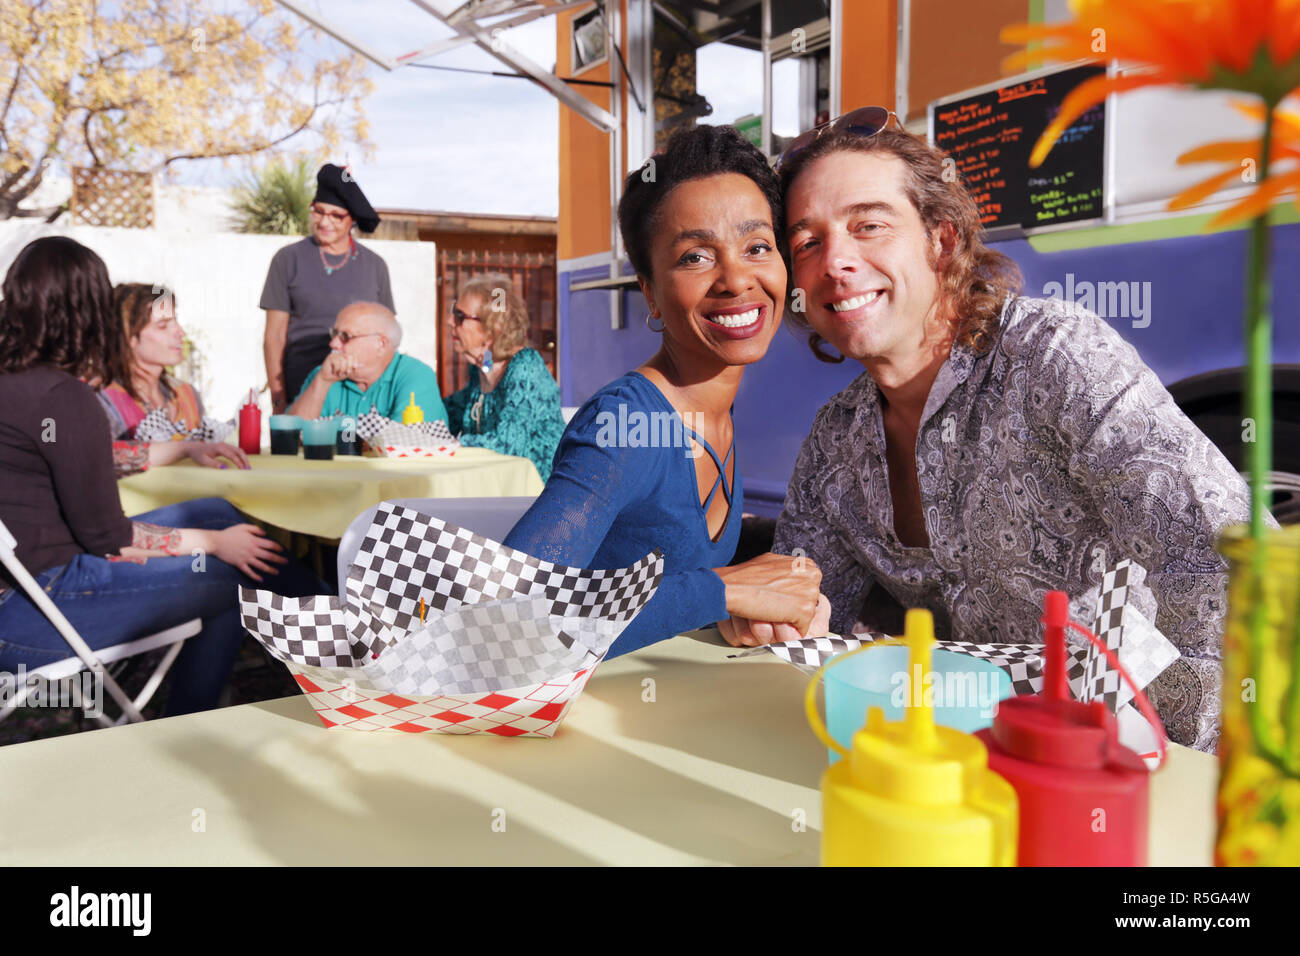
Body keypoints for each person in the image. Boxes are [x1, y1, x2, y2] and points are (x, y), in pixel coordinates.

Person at [748, 113, 1256, 752]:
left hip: (1119, 752)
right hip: (961, 759)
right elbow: (805, 605)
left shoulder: (1054, 356)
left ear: (941, 240)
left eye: (869, 226)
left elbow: (1225, 557)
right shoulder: (836, 438)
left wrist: (1187, 761)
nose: (837, 262)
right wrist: (777, 617)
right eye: (807, 243)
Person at [503, 124, 829, 659]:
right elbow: (504, 621)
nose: (736, 279)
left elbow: (670, 587)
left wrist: (747, 604)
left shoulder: (713, 409)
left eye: (757, 246)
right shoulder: (624, 426)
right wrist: (723, 591)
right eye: (695, 257)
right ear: (651, 293)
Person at [0, 237, 325, 718]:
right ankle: (188, 724)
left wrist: (187, 447)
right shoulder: (65, 399)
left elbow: (94, 456)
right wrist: (214, 546)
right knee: (235, 571)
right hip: (38, 611)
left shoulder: (17, 386)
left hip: (21, 586)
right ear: (87, 312)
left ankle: (331, 612)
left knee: (216, 510)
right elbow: (112, 539)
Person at [261, 164, 394, 412]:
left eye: (336, 215)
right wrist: (279, 400)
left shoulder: (375, 266)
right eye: (319, 211)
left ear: (352, 219)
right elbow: (274, 337)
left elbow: (386, 336)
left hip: (360, 390)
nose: (325, 222)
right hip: (302, 384)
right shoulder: (288, 260)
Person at [96, 282, 250, 470]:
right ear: (128, 337)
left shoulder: (186, 394)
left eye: (175, 321)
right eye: (162, 326)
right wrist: (182, 449)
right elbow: (99, 459)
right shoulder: (102, 399)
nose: (180, 332)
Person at [444, 274, 566, 480]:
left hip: (538, 494)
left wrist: (453, 445)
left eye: (459, 316)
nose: (449, 321)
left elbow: (510, 443)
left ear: (494, 327)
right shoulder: (483, 367)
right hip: (497, 487)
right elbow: (448, 415)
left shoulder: (525, 366)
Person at [287, 301, 447, 423]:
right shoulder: (324, 374)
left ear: (381, 344)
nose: (333, 344)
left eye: (345, 337)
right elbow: (291, 435)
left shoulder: (416, 376)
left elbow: (406, 442)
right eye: (334, 334)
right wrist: (322, 382)